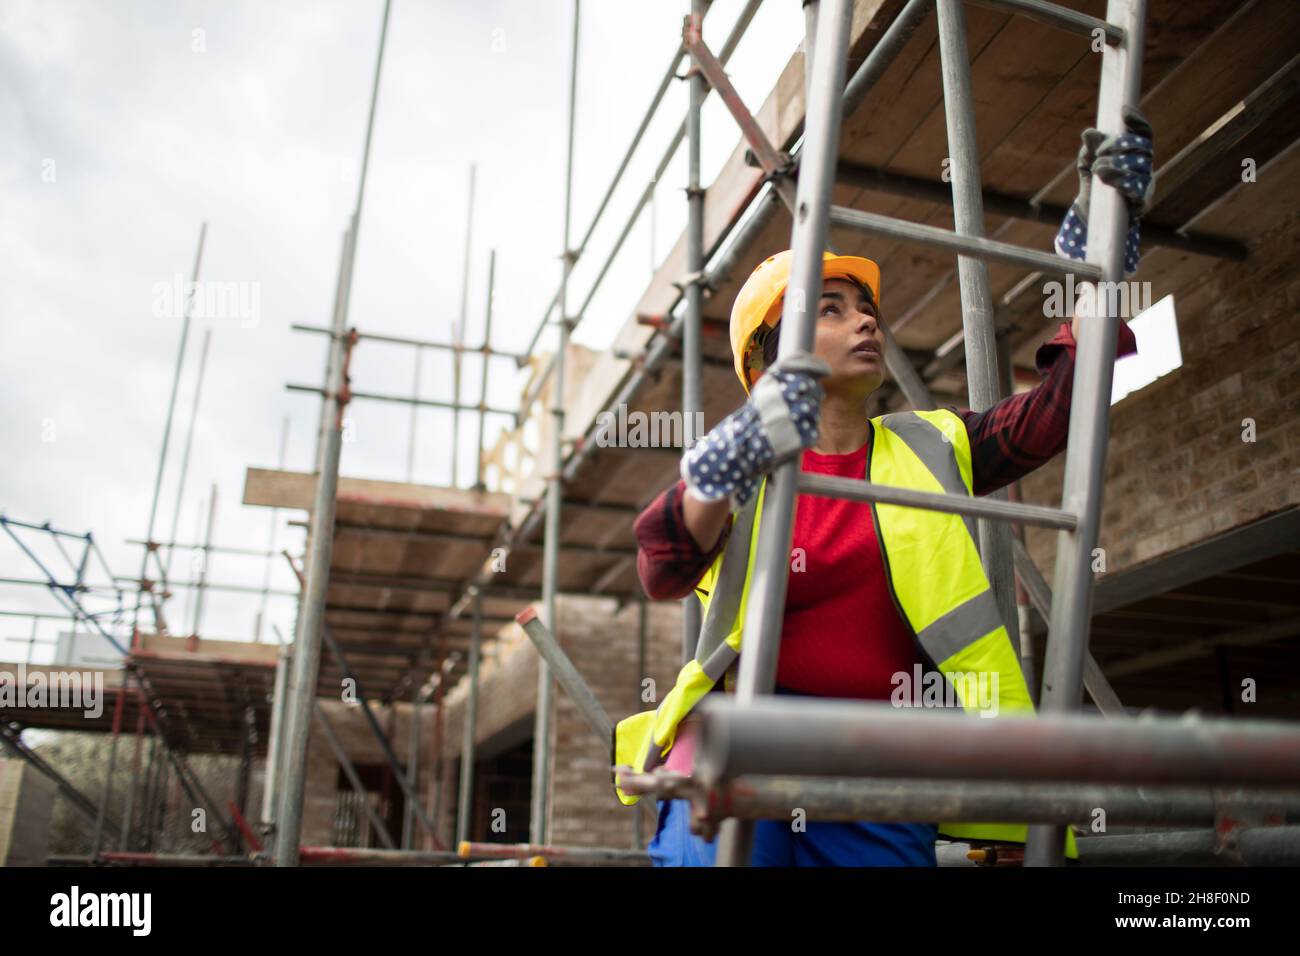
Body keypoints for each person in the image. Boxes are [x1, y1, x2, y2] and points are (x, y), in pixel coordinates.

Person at [614, 113, 1152, 867]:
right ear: (772, 358)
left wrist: (1096, 277)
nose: (864, 318)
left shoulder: (931, 445)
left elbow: (1050, 419)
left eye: (863, 306)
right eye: (828, 309)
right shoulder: (739, 466)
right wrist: (727, 459)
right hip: (748, 751)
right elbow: (662, 566)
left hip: (885, 765)